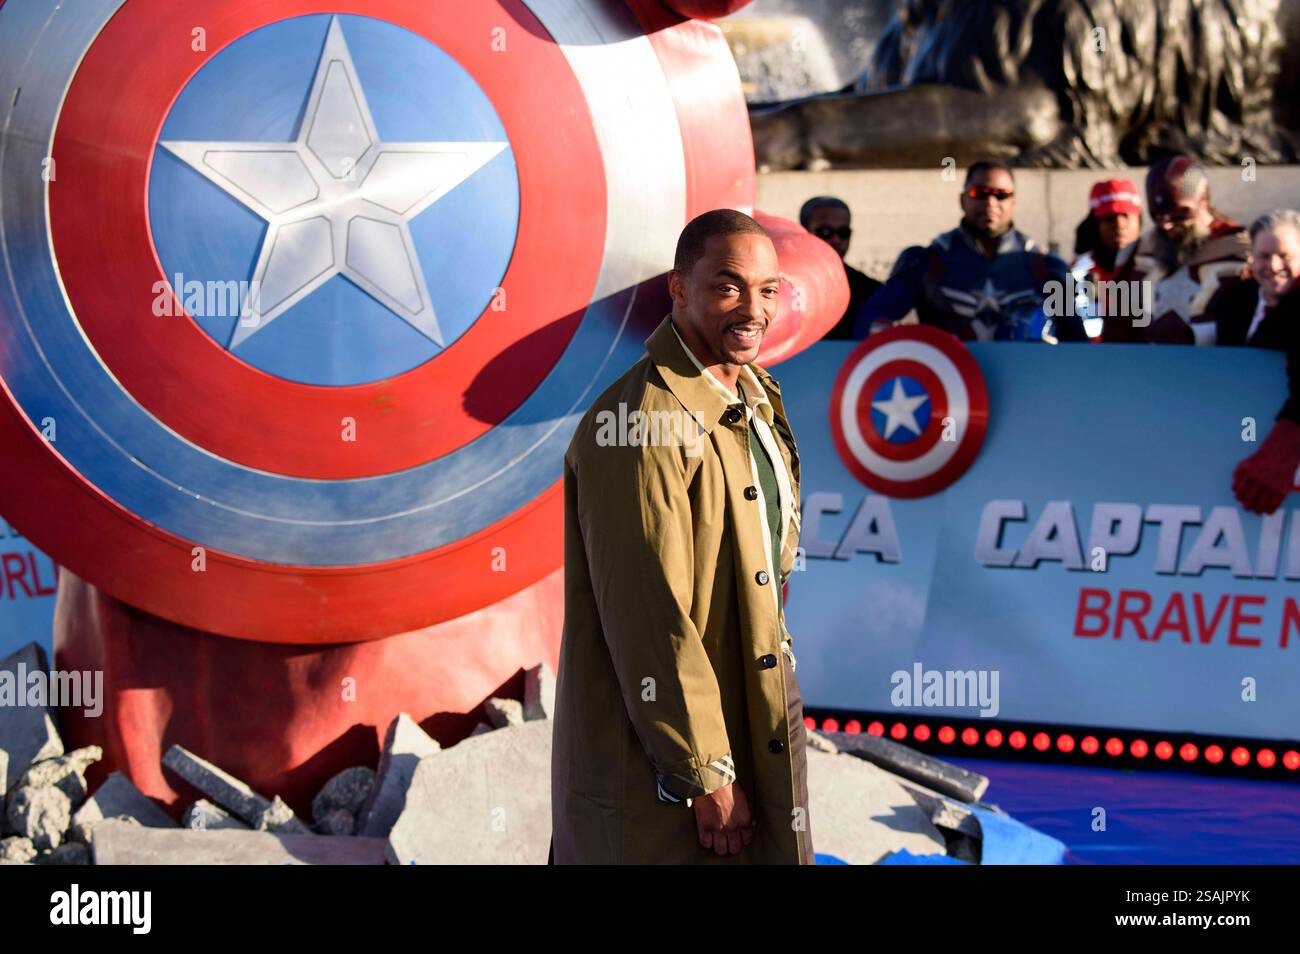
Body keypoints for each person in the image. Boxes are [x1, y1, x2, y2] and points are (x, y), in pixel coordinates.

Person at [550, 208, 813, 864]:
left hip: (753, 719)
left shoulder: (755, 395)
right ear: (678, 288)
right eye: (728, 286)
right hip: (667, 772)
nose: (753, 309)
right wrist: (704, 773)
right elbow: (650, 619)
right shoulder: (641, 424)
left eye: (768, 290)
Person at [853, 161, 1085, 342]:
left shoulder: (1046, 268)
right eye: (980, 193)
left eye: (1001, 195)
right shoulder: (926, 261)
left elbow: (1077, 343)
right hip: (950, 388)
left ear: (1013, 203)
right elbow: (869, 324)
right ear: (962, 200)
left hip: (1031, 385)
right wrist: (906, 341)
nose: (991, 203)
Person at [1101, 156, 1249, 344]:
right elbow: (1117, 330)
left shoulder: (1242, 250)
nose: (1167, 225)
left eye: (1179, 214)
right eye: (1158, 215)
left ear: (1202, 200)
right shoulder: (1136, 254)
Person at [1223, 210, 1300, 513]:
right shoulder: (1235, 301)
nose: (1274, 267)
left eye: (1285, 256)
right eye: (1264, 256)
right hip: (1229, 444)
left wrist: (1283, 450)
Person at [799, 196, 882, 339]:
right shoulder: (783, 284)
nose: (836, 240)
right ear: (803, 232)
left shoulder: (869, 290)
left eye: (843, 232)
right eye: (825, 232)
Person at [1071, 178, 1143, 339]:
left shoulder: (1157, 269)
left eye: (1126, 215)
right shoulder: (1076, 274)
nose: (1119, 224)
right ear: (1095, 223)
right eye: (1110, 217)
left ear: (1139, 219)